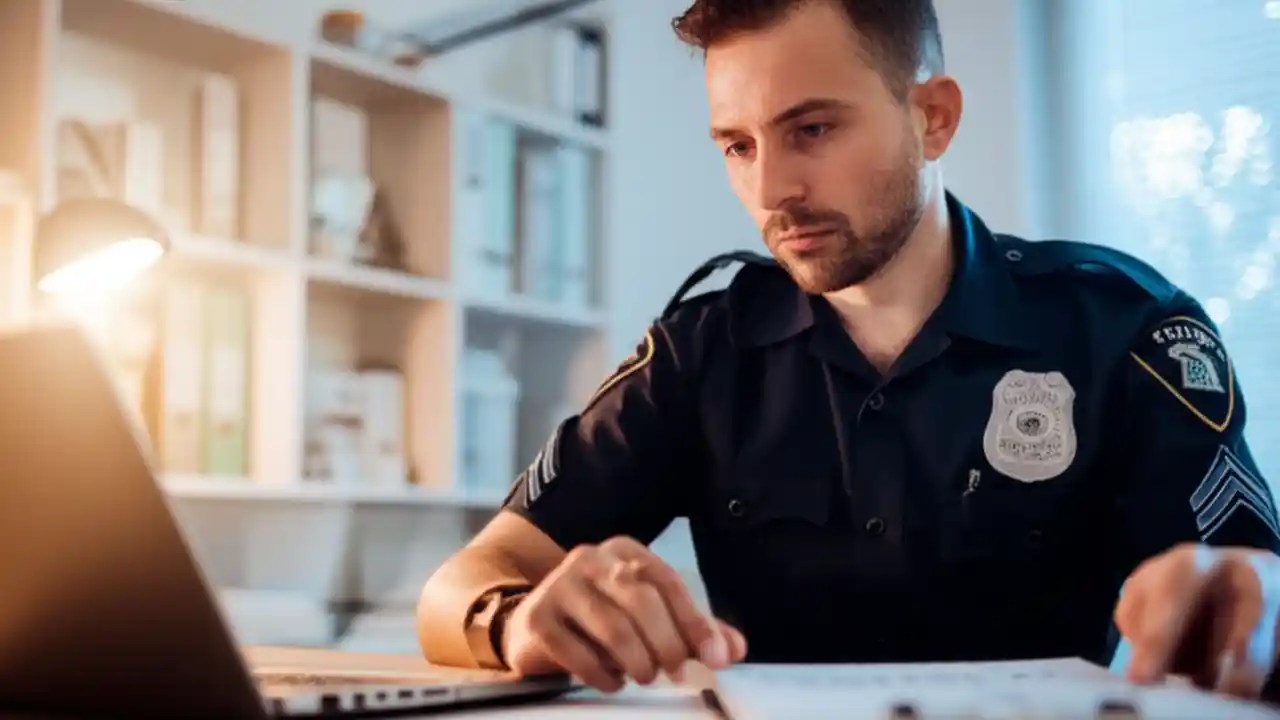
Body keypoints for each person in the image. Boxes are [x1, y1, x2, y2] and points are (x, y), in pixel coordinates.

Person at [417, 0, 1280, 700]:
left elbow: (1259, 590)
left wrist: (1253, 601)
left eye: (813, 131)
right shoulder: (699, 355)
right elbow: (465, 581)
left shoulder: (1121, 326)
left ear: (933, 117)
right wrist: (518, 622)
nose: (769, 190)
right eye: (737, 145)